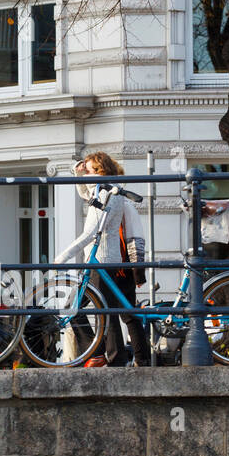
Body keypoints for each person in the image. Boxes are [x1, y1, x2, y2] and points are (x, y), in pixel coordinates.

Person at [56, 152, 149, 367]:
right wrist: (78, 173)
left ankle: (111, 357)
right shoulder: (104, 192)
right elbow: (86, 194)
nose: (85, 174)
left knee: (108, 313)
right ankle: (120, 357)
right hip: (109, 261)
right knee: (119, 312)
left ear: (99, 171)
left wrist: (62, 257)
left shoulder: (110, 194)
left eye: (89, 170)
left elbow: (93, 232)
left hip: (109, 261)